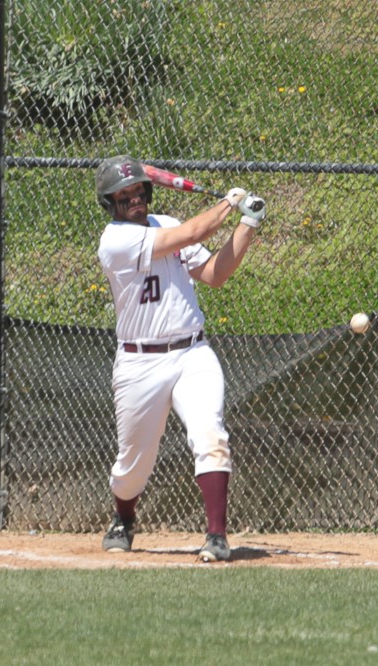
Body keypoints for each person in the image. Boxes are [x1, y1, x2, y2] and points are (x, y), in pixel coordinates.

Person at [93, 156, 266, 561]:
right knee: (133, 467)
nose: (134, 199)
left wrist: (247, 224)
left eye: (138, 191)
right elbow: (193, 231)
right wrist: (228, 203)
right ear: (110, 202)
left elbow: (214, 274)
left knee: (210, 435)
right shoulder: (115, 241)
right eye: (123, 195)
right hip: (140, 363)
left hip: (192, 353)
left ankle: (217, 536)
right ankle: (124, 518)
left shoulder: (165, 224)